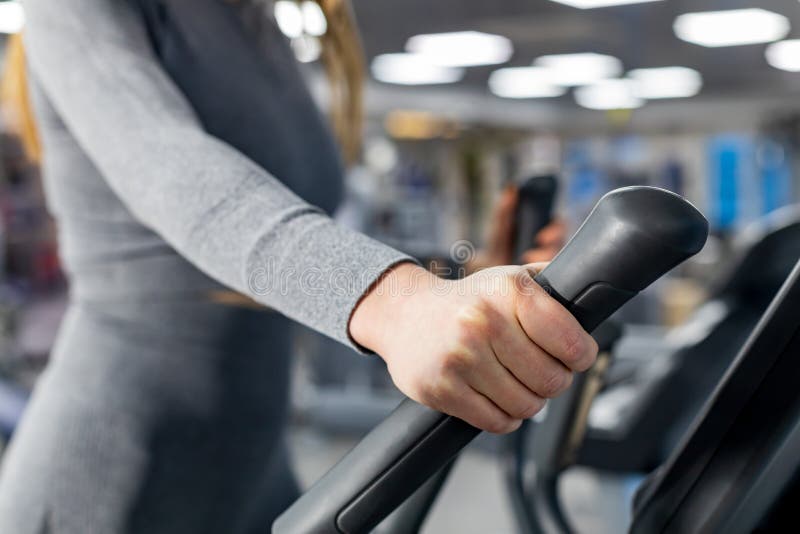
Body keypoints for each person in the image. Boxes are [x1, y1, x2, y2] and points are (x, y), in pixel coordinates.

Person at [0, 1, 597, 532]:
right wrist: (398, 306)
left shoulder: (259, 20)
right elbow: (179, 176)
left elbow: (298, 223)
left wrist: (460, 282)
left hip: (252, 458)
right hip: (116, 460)